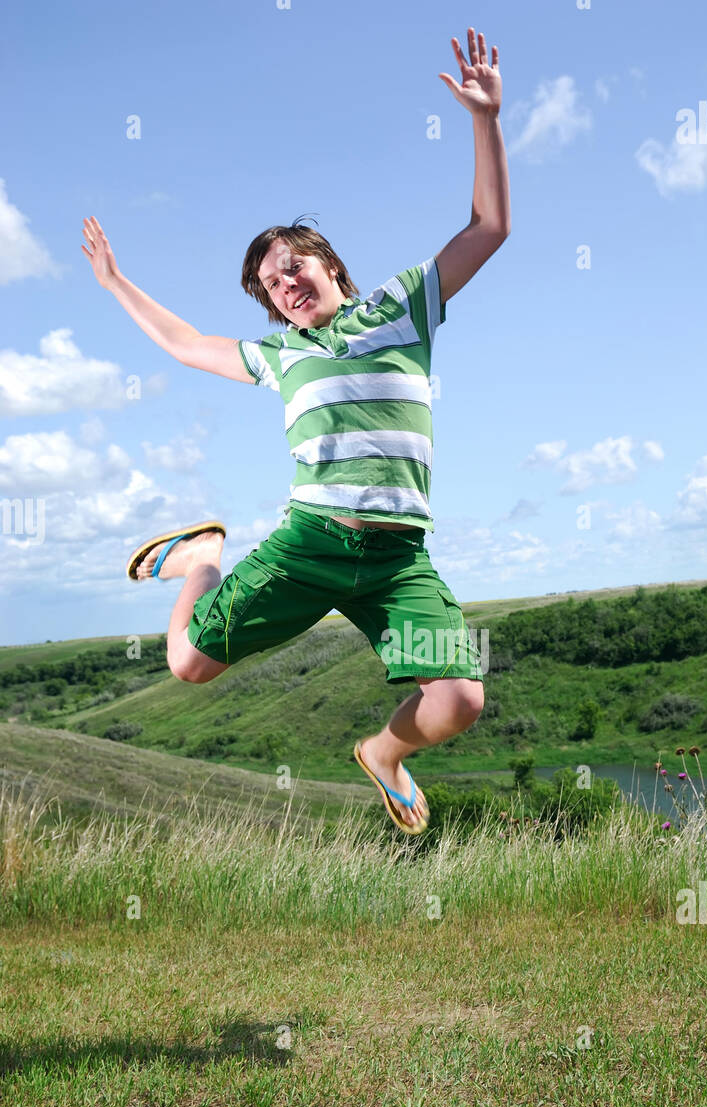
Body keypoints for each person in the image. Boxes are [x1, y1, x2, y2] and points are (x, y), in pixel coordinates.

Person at [81, 28, 510, 834]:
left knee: (458, 699)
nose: (282, 283)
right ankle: (201, 560)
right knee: (187, 665)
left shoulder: (401, 309)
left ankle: (384, 754)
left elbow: (488, 227)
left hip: (396, 554)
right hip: (312, 542)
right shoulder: (279, 355)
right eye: (269, 284)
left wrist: (485, 119)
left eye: (292, 265)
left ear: (331, 267)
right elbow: (183, 343)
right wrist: (115, 281)